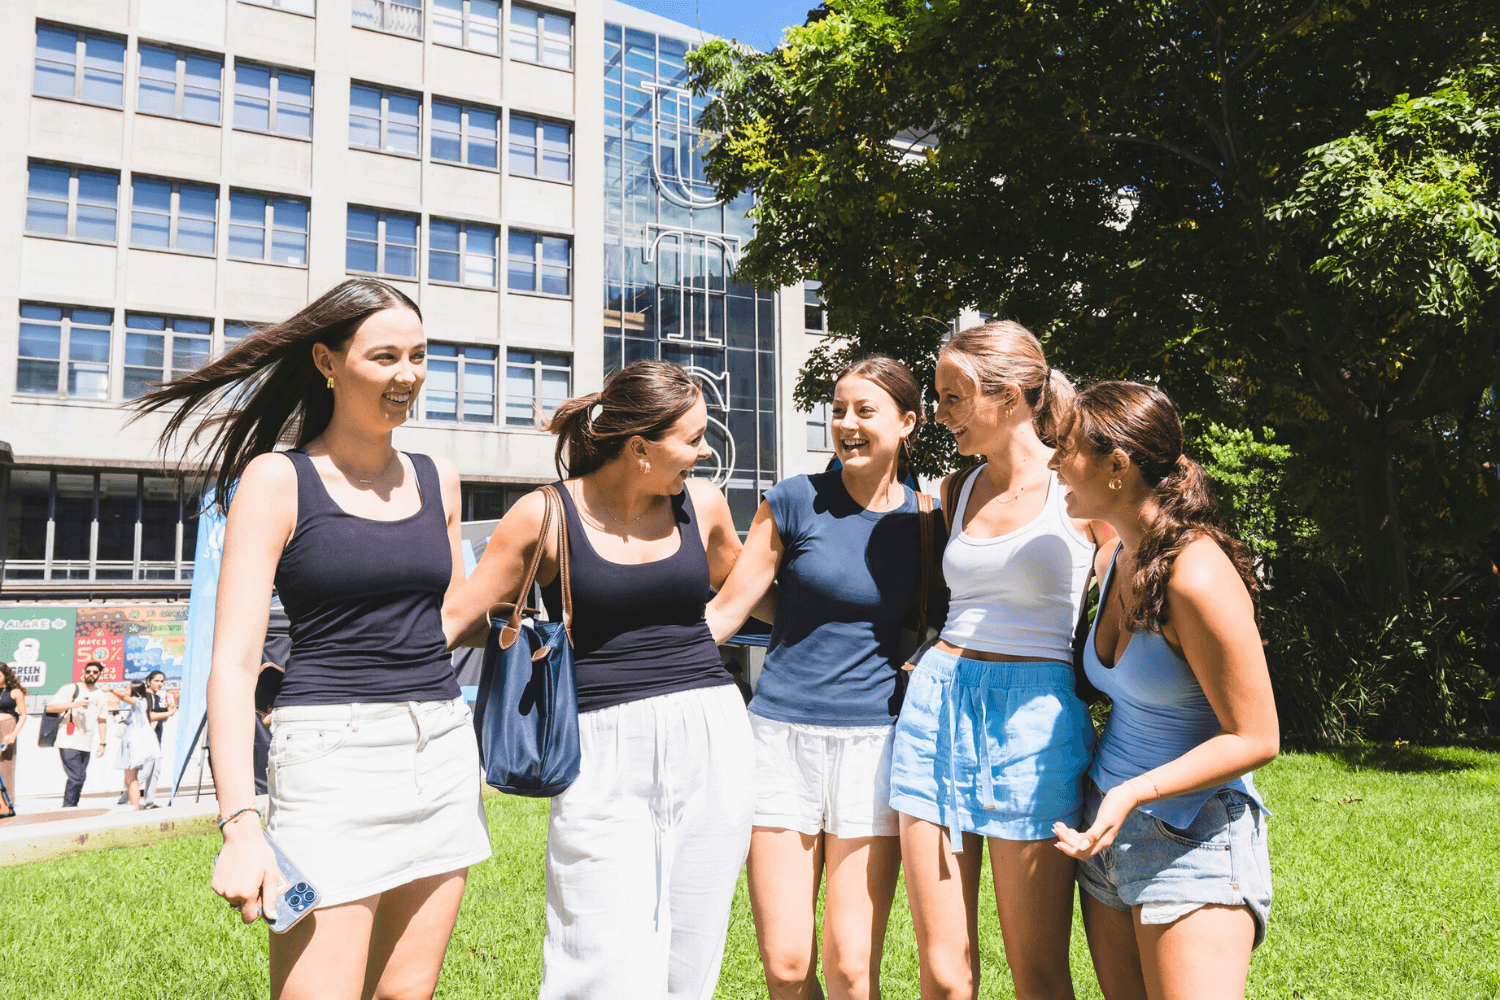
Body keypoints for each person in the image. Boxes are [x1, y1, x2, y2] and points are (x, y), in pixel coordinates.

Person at [129, 278, 491, 1000]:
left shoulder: (437, 478)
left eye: (420, 355)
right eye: (385, 356)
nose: (408, 374)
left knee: (404, 994)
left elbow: (447, 619)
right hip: (331, 759)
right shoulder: (277, 480)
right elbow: (232, 664)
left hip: (443, 747)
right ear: (327, 362)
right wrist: (240, 824)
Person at [444, 359, 753, 1000]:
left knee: (694, 941)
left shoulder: (702, 504)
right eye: (692, 439)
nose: (703, 452)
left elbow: (750, 586)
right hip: (602, 741)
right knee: (596, 944)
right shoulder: (545, 514)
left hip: (712, 730)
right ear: (639, 448)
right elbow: (461, 619)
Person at [888, 321, 1112, 1000]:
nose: (941, 413)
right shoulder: (956, 490)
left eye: (955, 397)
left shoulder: (1080, 484)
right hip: (936, 712)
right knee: (946, 976)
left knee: (1038, 975)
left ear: (1011, 396)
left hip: (1035, 727)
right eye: (938, 397)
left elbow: (1135, 586)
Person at [704, 356, 938, 1000]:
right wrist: (643, 665)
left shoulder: (927, 521)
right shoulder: (793, 498)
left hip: (874, 746)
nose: (847, 423)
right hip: (777, 740)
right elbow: (728, 609)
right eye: (838, 410)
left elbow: (955, 623)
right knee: (785, 966)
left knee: (850, 967)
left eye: (866, 410)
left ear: (907, 423)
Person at [1048, 381, 1278, 1000]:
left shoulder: (1198, 574)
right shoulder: (1118, 551)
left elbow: (1257, 736)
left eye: (1065, 450)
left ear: (1117, 466)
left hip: (1190, 834)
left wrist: (1135, 793)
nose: (1051, 463)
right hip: (1106, 830)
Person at [45, 660, 109, 807]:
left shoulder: (101, 695)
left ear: (99, 675)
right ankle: (68, 808)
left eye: (95, 672)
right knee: (76, 776)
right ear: (83, 672)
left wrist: (102, 743)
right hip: (68, 738)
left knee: (80, 777)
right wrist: (73, 704)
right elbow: (50, 708)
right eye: (88, 671)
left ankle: (72, 806)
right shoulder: (71, 689)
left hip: (86, 741)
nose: (91, 674)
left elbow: (102, 720)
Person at [117, 670, 174, 809]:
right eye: (156, 681)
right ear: (148, 681)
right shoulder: (146, 697)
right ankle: (126, 800)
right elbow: (149, 717)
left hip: (154, 737)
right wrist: (169, 713)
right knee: (143, 773)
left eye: (162, 681)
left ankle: (148, 802)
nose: (159, 684)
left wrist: (169, 710)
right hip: (146, 740)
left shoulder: (157, 696)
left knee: (154, 771)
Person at [112, 680, 160, 810]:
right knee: (129, 780)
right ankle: (133, 808)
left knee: (132, 779)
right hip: (128, 742)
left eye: (127, 688)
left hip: (133, 744)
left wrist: (111, 690)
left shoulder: (139, 701)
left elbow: (124, 698)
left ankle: (135, 808)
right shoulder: (138, 704)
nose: (124, 690)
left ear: (134, 691)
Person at [0, 663, 29, 805]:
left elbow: (23, 715)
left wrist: (14, 733)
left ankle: (7, 803)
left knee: (5, 765)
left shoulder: (15, 691)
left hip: (7, 728)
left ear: (5, 676)